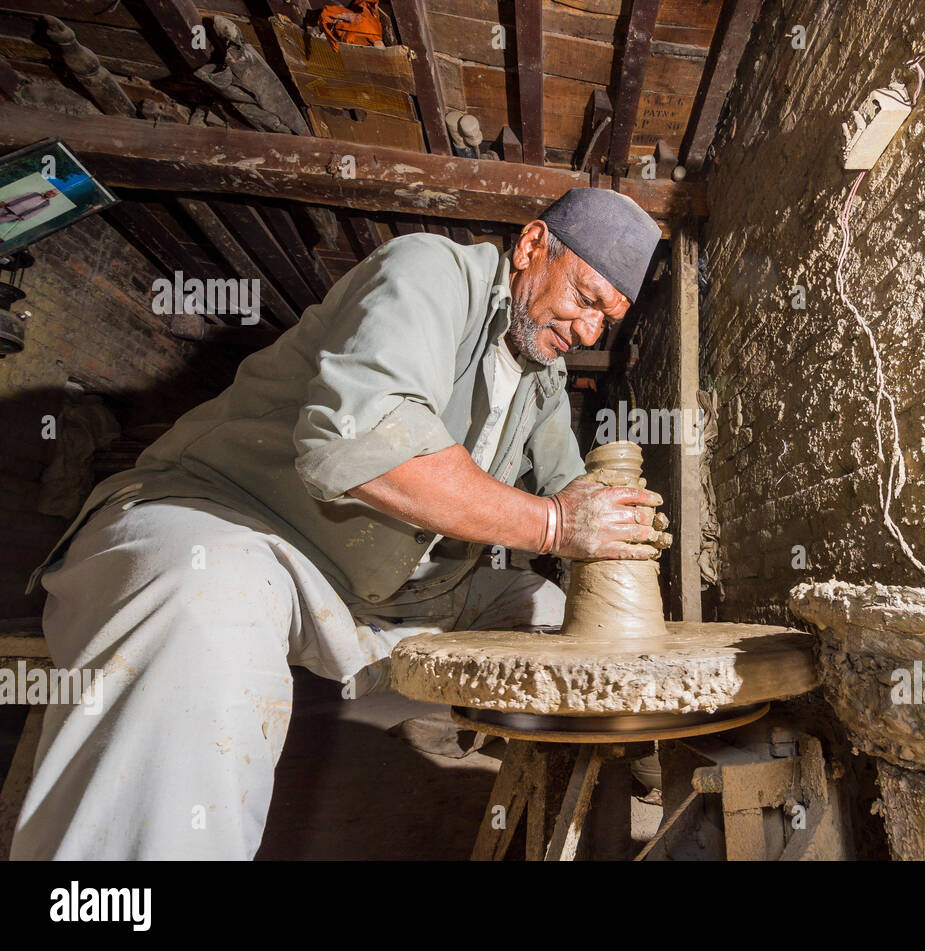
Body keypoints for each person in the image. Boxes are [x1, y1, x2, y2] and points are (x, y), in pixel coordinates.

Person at [11, 187, 667, 859]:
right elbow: (361, 445)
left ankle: (593, 815)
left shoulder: (542, 376)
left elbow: (572, 488)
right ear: (531, 247)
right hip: (242, 529)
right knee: (209, 597)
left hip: (392, 595)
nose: (590, 332)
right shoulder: (431, 274)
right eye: (586, 299)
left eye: (606, 321)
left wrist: (620, 522)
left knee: (562, 616)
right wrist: (556, 525)